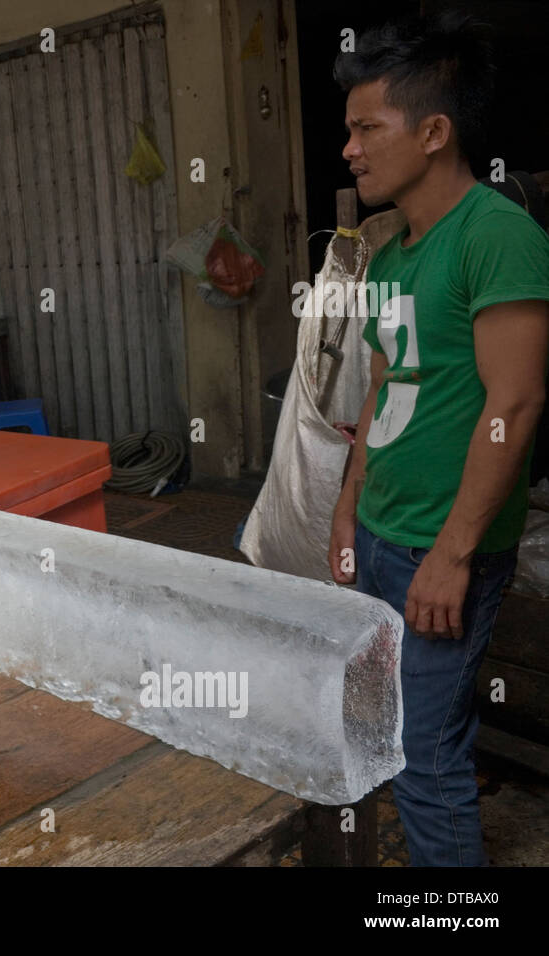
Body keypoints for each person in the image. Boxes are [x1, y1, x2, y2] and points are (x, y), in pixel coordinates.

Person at [328, 14, 549, 865]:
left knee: (427, 759)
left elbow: (518, 401)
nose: (349, 148)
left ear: (433, 131)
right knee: (386, 734)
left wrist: (455, 553)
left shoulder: (496, 236)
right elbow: (381, 394)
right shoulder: (391, 258)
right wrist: (348, 511)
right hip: (383, 533)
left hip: (441, 546)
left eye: (365, 128)